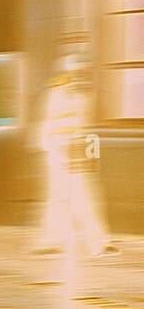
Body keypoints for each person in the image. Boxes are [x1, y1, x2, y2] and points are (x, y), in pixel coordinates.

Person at [34, 53, 117, 257]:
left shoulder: (82, 94)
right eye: (77, 72)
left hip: (75, 148)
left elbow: (84, 125)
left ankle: (94, 242)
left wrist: (89, 151)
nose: (80, 75)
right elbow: (50, 122)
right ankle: (66, 240)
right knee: (66, 196)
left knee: (81, 195)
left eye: (83, 72)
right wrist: (52, 148)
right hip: (59, 148)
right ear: (68, 73)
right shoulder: (58, 93)